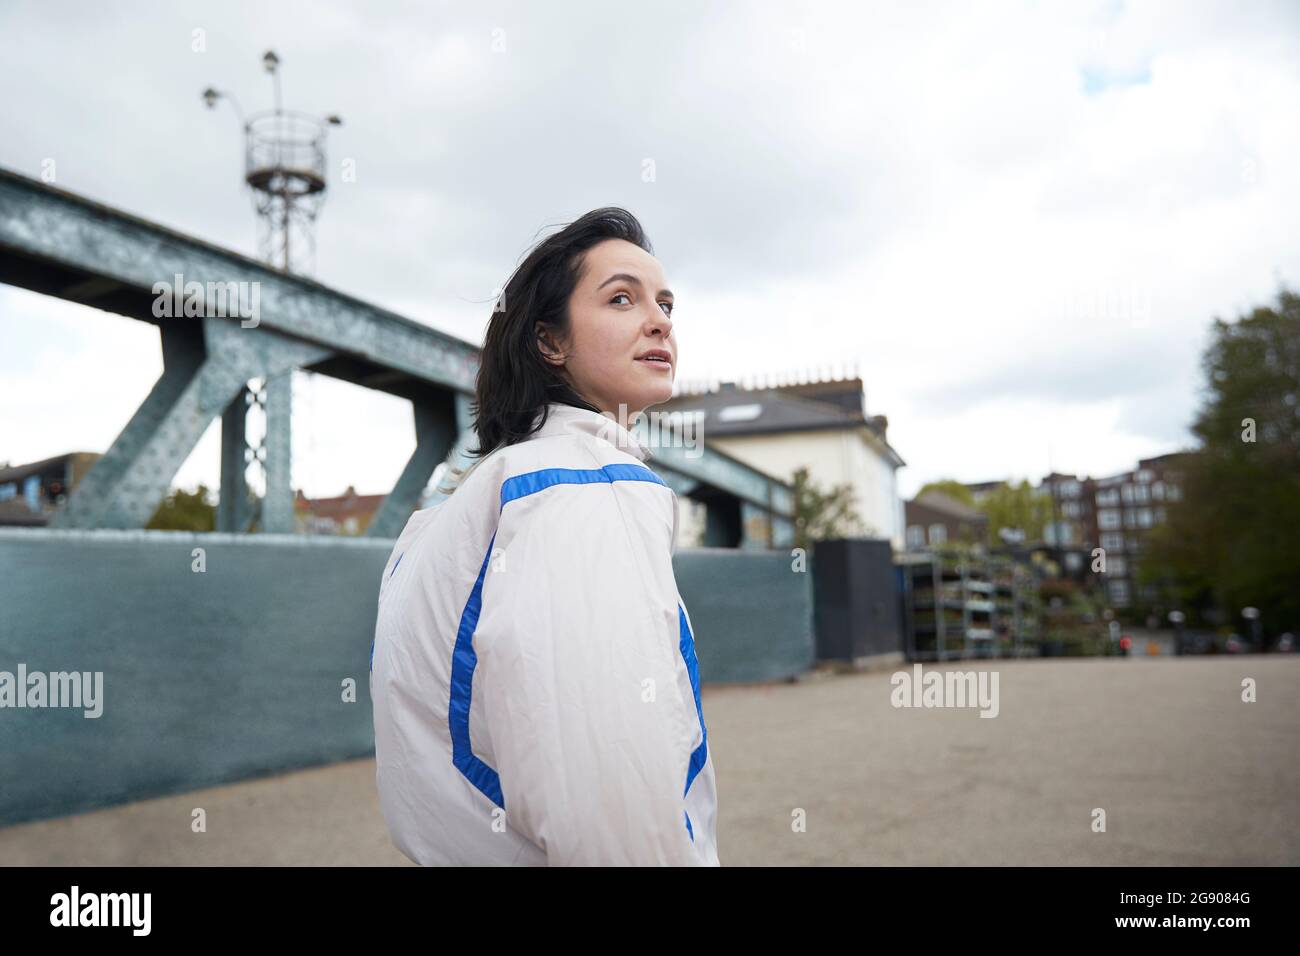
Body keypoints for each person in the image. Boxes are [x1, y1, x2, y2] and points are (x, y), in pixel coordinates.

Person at [370, 208, 719, 866]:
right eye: (622, 298)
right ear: (549, 342)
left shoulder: (473, 498)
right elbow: (607, 788)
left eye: (665, 303)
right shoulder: (579, 487)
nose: (660, 320)